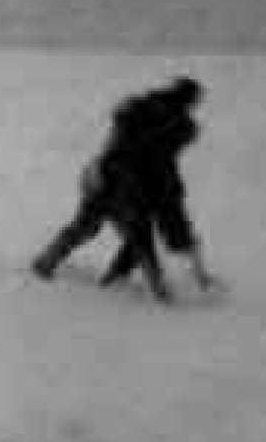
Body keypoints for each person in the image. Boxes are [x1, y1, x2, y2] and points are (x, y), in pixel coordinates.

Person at [31, 76, 215, 303]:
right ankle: (149, 290)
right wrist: (185, 245)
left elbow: (169, 204)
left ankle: (56, 265)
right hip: (118, 184)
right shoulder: (160, 136)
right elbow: (169, 208)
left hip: (106, 178)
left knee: (94, 228)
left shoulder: (141, 118)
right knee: (135, 236)